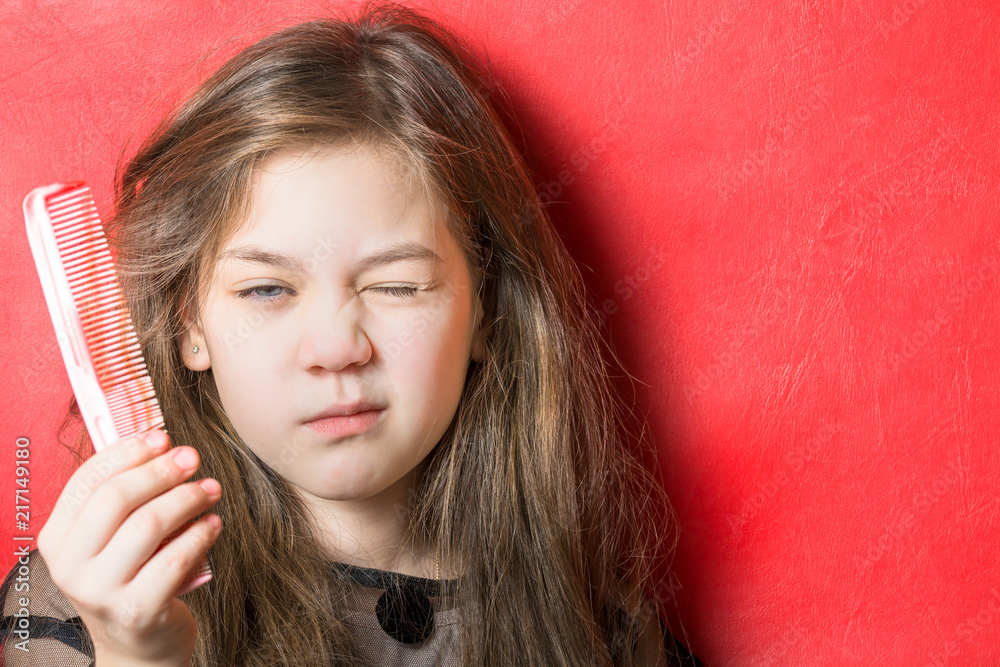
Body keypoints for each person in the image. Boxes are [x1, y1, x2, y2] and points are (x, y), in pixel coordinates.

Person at [0, 3, 701, 665]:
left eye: (395, 285)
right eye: (267, 288)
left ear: (485, 312)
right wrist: (136, 656)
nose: (337, 349)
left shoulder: (606, 632)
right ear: (190, 324)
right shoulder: (70, 611)